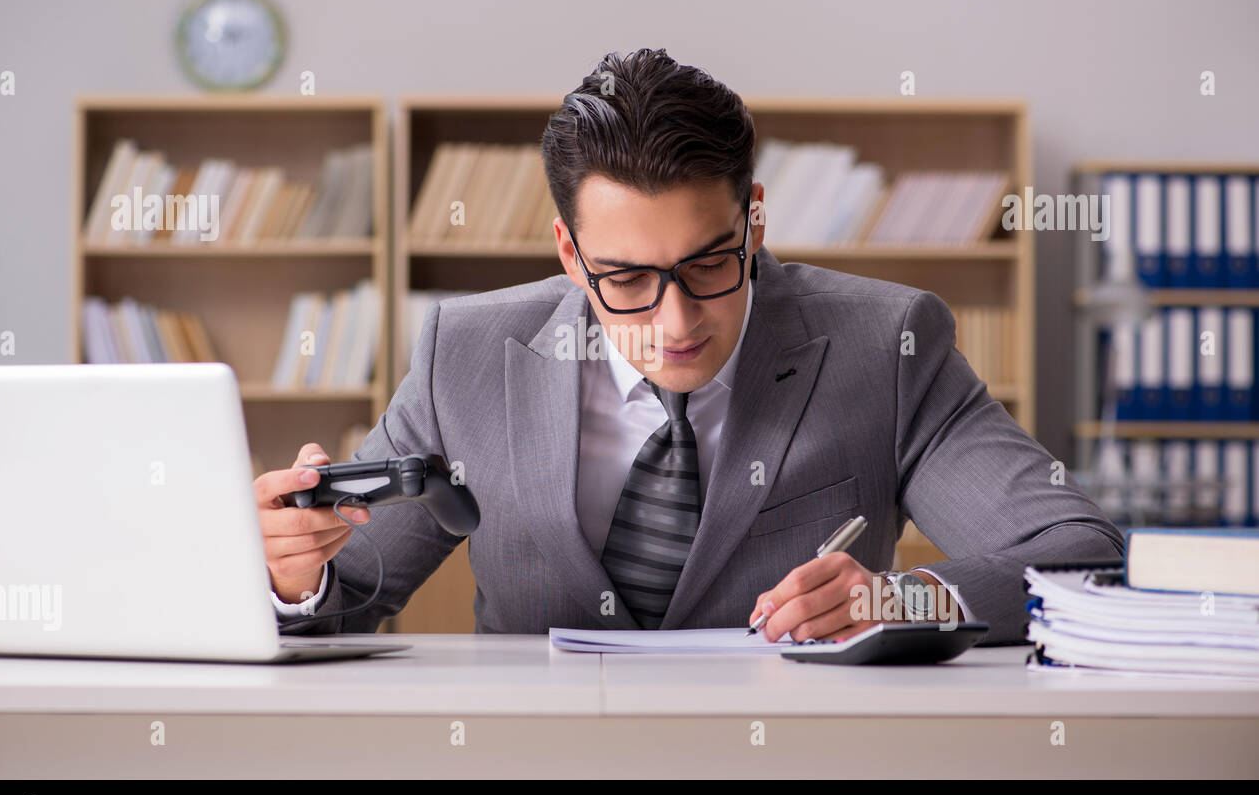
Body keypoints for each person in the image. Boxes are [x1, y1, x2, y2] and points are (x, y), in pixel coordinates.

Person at [254, 47, 1123, 646]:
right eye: (625, 278)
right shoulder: (470, 355)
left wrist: (906, 596)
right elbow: (349, 594)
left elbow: (1080, 555)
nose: (674, 324)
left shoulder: (885, 345)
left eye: (709, 263)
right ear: (568, 253)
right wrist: (296, 574)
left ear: (754, 220)